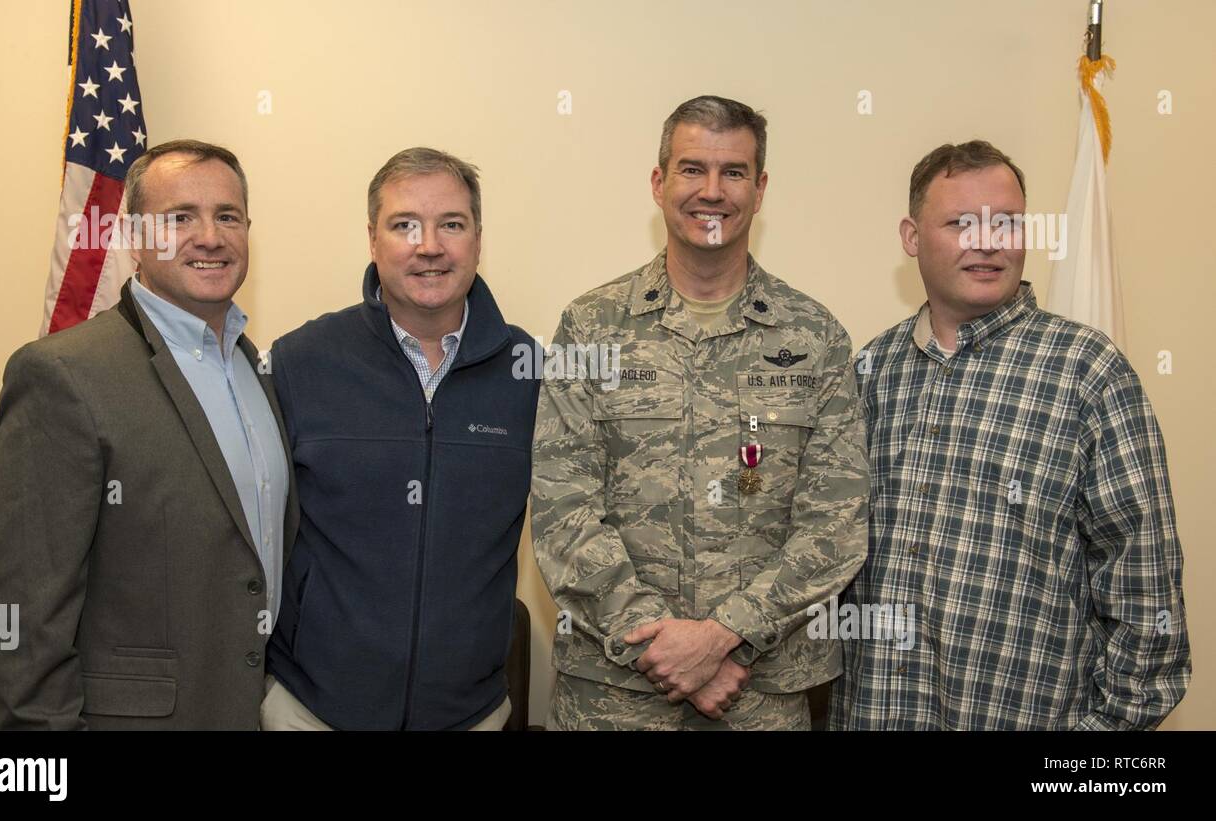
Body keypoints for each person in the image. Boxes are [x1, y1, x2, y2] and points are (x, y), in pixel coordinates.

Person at [532, 95, 869, 730]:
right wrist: (658, 644)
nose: (711, 191)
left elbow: (837, 522)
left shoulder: (817, 338)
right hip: (615, 695)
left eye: (734, 172)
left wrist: (723, 638)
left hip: (760, 693)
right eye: (692, 169)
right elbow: (561, 509)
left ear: (760, 189)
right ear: (659, 183)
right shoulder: (590, 328)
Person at [831, 140, 1190, 730]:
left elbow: (1144, 587)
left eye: (1007, 223)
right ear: (912, 237)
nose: (989, 241)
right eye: (961, 223)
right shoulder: (871, 370)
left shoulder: (1087, 370)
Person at [0, 139, 296, 729]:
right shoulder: (63, 375)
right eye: (180, 218)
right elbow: (21, 611)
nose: (209, 236)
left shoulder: (257, 370)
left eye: (228, 216)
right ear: (132, 237)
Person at [261, 147, 539, 730]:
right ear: (372, 239)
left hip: (471, 715)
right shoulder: (298, 362)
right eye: (404, 225)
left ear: (478, 239)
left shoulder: (530, 373)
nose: (429, 245)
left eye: (452, 225)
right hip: (310, 711)